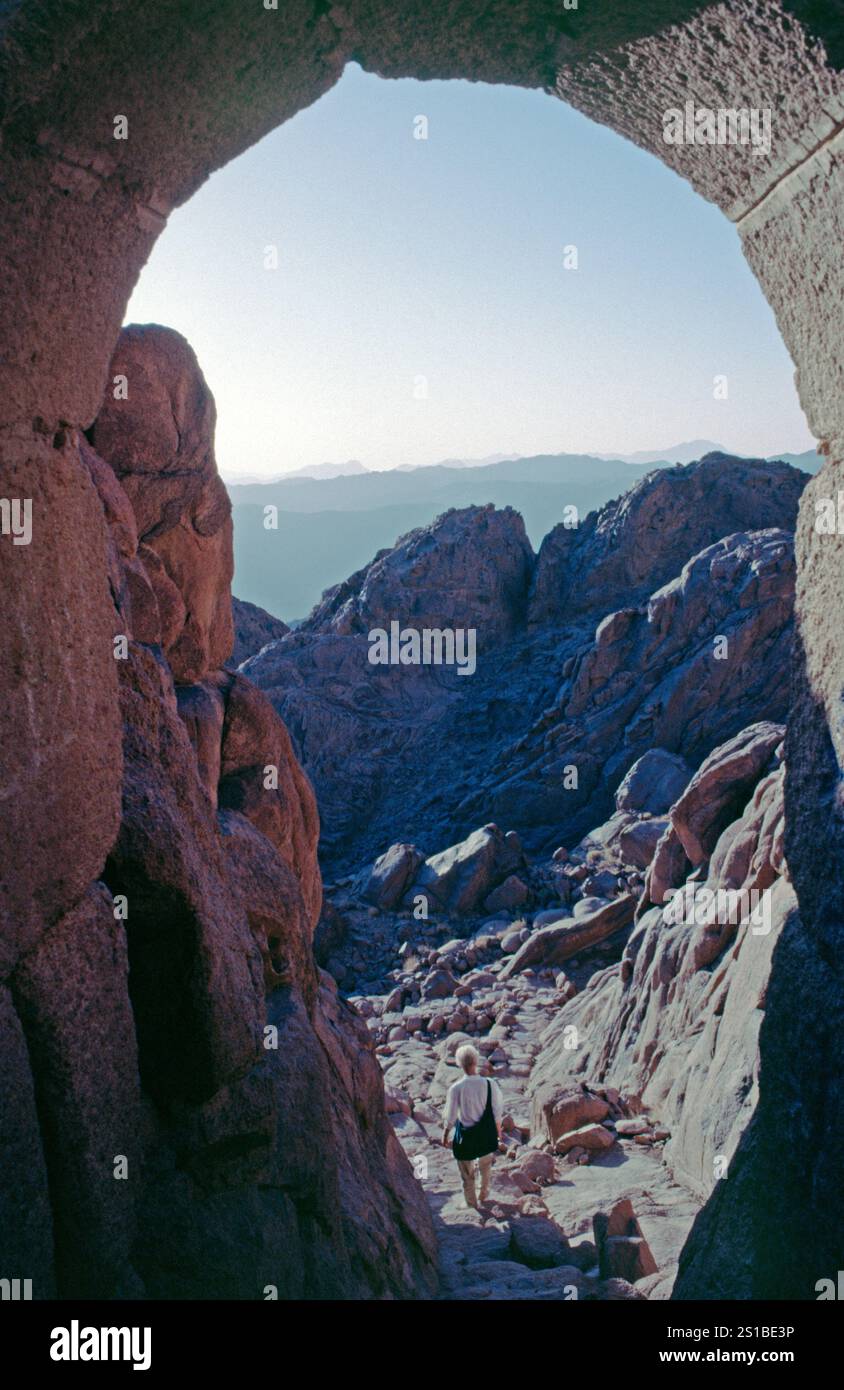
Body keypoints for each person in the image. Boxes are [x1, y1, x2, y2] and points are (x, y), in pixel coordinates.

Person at [442, 1043, 504, 1209]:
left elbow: (451, 1115)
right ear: (476, 1060)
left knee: (466, 1173)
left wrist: (446, 1133)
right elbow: (497, 1111)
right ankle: (483, 1193)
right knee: (485, 1166)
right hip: (486, 1133)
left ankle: (471, 1203)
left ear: (459, 1063)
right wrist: (499, 1132)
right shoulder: (490, 1084)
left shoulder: (456, 1088)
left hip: (466, 1137)